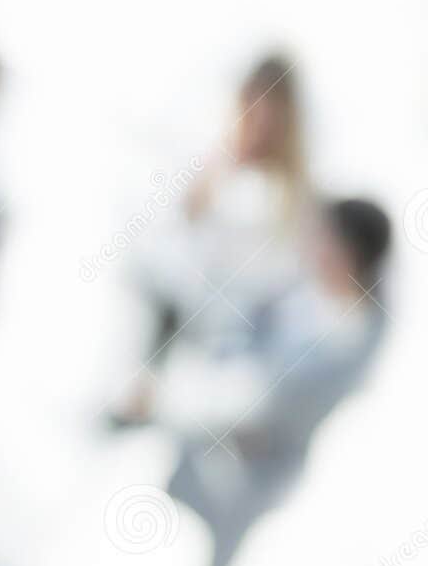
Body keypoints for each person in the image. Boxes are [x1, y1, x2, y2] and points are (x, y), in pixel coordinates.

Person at [147, 197, 390, 566]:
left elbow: (294, 402)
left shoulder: (355, 334)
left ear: (350, 253)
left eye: (327, 240)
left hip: (263, 462)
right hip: (220, 422)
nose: (315, 247)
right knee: (177, 494)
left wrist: (233, 405)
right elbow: (242, 327)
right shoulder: (297, 289)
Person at [116, 53, 311, 420]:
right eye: (251, 105)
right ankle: (140, 399)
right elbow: (180, 228)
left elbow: (272, 269)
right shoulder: (214, 158)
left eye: (269, 111)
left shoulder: (288, 192)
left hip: (238, 328)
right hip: (186, 306)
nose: (258, 120)